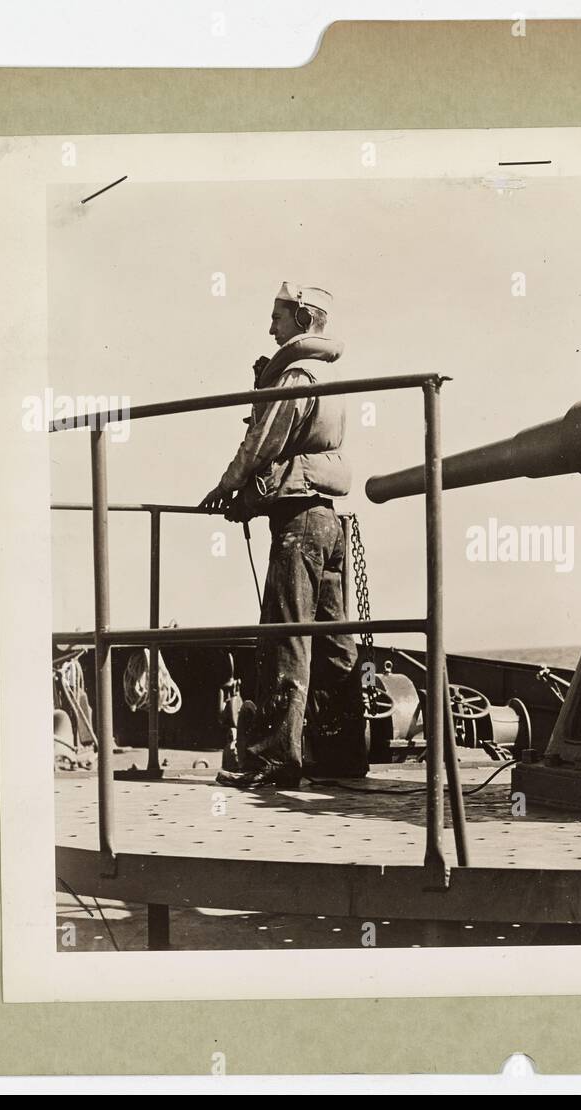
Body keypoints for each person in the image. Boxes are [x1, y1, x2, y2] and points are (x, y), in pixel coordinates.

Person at [201, 282, 367, 788]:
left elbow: (263, 443)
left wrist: (227, 487)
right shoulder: (328, 374)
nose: (269, 327)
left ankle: (276, 760)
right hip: (329, 520)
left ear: (300, 319)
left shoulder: (295, 375)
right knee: (333, 639)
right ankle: (339, 754)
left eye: (276, 317)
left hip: (297, 524)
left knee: (285, 635)